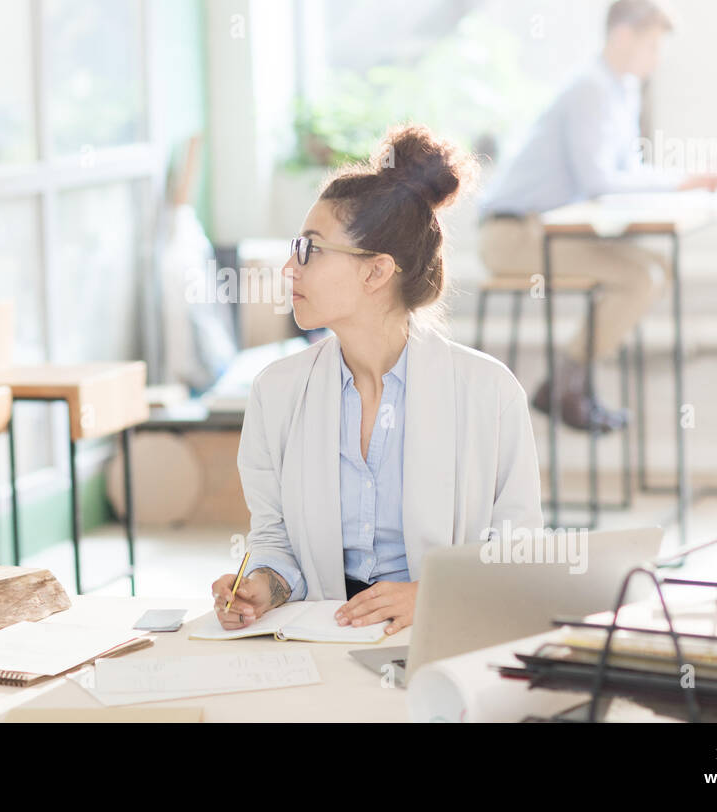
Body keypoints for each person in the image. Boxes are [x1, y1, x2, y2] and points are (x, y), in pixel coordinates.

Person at [210, 125, 543, 636]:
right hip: (321, 634)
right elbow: (275, 540)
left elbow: (518, 553)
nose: (288, 267)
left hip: (443, 632)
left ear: (376, 272)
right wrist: (262, 583)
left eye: (310, 249)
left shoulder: (489, 392)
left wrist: (434, 596)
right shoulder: (276, 391)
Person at [477, 0, 717, 432]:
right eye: (652, 46)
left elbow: (625, 172)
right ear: (622, 35)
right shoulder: (590, 88)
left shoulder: (620, 89)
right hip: (515, 235)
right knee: (641, 277)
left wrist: (678, 180)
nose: (657, 58)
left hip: (548, 232)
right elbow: (600, 180)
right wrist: (677, 184)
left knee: (658, 268)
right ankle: (567, 384)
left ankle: (568, 385)